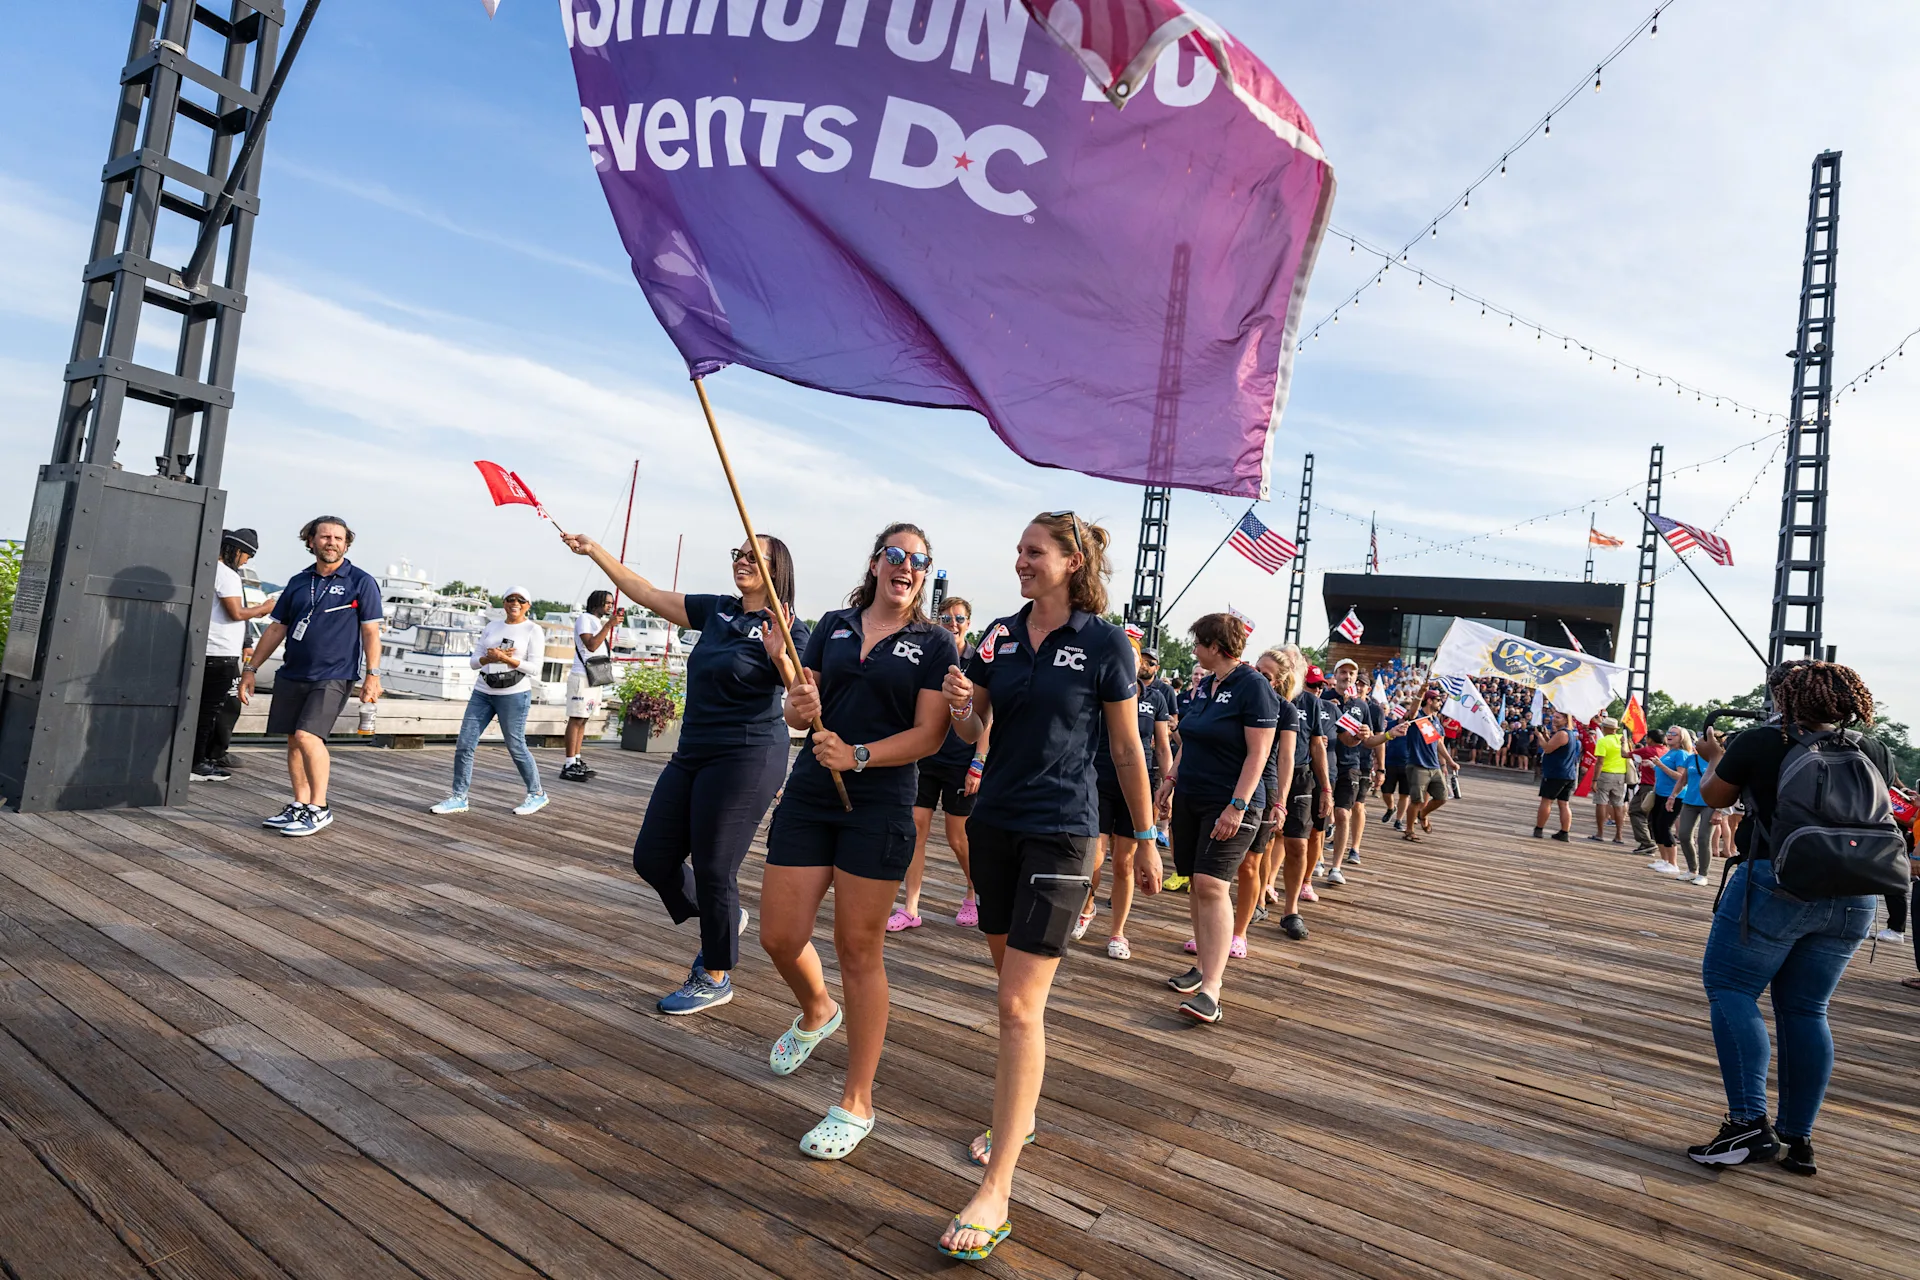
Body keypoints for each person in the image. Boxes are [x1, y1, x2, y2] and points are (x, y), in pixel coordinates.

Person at [935, 512, 1156, 1261]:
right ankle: (1021, 1110)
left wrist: (1149, 838)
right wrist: (965, 705)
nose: (1020, 561)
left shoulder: (1104, 643)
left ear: (1071, 562)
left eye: (1034, 552)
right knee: (1013, 995)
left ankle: (997, 1188)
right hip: (994, 824)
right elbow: (972, 733)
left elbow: (1127, 750)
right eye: (1020, 551)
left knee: (1016, 1004)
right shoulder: (997, 634)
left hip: (1064, 830)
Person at [758, 523, 956, 1161]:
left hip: (881, 804)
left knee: (857, 949)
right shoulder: (834, 624)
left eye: (919, 561)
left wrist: (860, 755)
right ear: (875, 564)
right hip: (813, 790)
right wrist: (798, 702)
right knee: (779, 935)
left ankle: (857, 1100)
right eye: (896, 556)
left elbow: (930, 735)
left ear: (924, 575)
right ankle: (818, 1011)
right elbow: (798, 710)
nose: (907, 567)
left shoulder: (934, 642)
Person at [560, 527, 804, 1015]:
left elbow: (803, 703)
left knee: (716, 868)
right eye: (737, 553)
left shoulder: (791, 627)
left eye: (753, 556)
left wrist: (780, 655)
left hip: (748, 754)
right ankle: (725, 915)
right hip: (693, 750)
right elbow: (645, 593)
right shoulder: (717, 609)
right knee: (652, 857)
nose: (741, 561)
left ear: (777, 569)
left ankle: (715, 974)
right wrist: (595, 551)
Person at [1687, 663, 1894, 1175]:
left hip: (1773, 882)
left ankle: (1746, 1125)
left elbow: (1717, 796)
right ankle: (1797, 1137)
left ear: (1783, 697)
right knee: (1806, 1010)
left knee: (1731, 989)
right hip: (1855, 894)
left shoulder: (1761, 740)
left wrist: (1714, 758)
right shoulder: (1871, 748)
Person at [238, 516, 383, 837]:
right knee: (293, 740)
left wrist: (372, 675)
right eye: (325, 537)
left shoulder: (361, 581)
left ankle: (319, 807)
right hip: (293, 671)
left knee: (307, 736)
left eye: (338, 538)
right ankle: (300, 804)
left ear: (346, 544)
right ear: (311, 541)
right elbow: (277, 628)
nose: (332, 542)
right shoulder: (299, 582)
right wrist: (250, 670)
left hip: (334, 674)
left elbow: (371, 632)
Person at [1166, 613, 1277, 990]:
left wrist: (1238, 805)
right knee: (1196, 883)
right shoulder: (1205, 686)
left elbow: (1258, 754)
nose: (1194, 649)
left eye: (1198, 643)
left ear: (1216, 647)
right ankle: (1201, 966)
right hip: (1191, 796)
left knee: (1212, 885)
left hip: (1230, 800)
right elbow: (1192, 738)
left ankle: (1212, 989)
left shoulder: (1253, 686)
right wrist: (1170, 778)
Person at [892, 596, 985, 932]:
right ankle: (910, 907)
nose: (953, 624)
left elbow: (987, 718)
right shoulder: (930, 653)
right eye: (946, 618)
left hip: (962, 758)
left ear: (968, 623)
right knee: (915, 829)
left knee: (958, 837)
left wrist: (979, 762)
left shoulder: (977, 662)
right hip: (927, 754)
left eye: (959, 618)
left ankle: (974, 893)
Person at [1080, 639, 1173, 958]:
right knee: (1093, 856)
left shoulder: (1155, 698)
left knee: (1124, 863)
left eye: (1136, 657)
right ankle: (1088, 906)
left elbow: (1162, 745)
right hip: (1099, 780)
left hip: (1136, 786)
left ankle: (1117, 932)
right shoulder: (1099, 690)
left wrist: (1168, 784)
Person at [430, 587, 549, 816]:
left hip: (514, 694)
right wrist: (489, 657)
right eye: (510, 599)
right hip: (483, 691)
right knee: (465, 743)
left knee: (515, 745)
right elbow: (474, 662)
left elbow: (535, 669)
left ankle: (537, 794)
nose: (515, 603)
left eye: (521, 600)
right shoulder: (491, 627)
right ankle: (459, 797)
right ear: (503, 603)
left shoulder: (533, 630)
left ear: (528, 605)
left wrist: (506, 658)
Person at [192, 527, 276, 781]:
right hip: (219, 654)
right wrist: (264, 608)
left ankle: (197, 759)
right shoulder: (227, 575)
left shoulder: (207, 569)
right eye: (247, 555)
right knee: (209, 711)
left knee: (201, 710)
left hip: (206, 650)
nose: (246, 561)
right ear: (235, 550)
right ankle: (197, 763)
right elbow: (236, 613)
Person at [1255, 647, 1321, 940]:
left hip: (1301, 777)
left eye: (1296, 661)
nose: (1292, 665)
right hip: (1265, 776)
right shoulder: (1259, 698)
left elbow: (1318, 745)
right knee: (1264, 846)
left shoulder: (1309, 702)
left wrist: (1327, 789)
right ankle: (1258, 900)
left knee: (1298, 844)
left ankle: (1291, 910)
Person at [1325, 660, 1385, 878]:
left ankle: (1336, 867)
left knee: (1342, 813)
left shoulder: (1362, 706)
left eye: (1352, 673)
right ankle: (1319, 861)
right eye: (1343, 672)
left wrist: (1384, 736)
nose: (1347, 676)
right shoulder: (1322, 698)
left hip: (1351, 765)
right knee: (1322, 815)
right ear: (1336, 674)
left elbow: (1368, 740)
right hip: (1325, 762)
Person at [559, 589, 620, 783]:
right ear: (597, 603)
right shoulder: (585, 619)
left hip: (592, 678)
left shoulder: (596, 622)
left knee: (583, 719)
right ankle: (569, 763)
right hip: (581, 676)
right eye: (608, 603)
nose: (611, 606)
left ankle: (576, 759)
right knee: (576, 719)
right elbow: (591, 645)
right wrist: (609, 625)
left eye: (612, 603)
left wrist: (607, 625)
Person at [1402, 689, 1456, 842]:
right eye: (1438, 700)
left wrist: (1450, 761)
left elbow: (1439, 743)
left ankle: (1423, 814)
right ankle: (1409, 830)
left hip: (1434, 765)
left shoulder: (1436, 721)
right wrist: (1421, 692)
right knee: (1416, 800)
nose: (1441, 703)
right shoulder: (1417, 717)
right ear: (1430, 701)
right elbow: (1412, 711)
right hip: (1417, 764)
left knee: (1442, 797)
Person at [1649, 725, 1692, 873]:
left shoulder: (1681, 754)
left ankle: (1673, 863)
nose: (1670, 735)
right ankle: (1664, 859)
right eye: (1669, 732)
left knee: (1664, 826)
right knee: (1656, 825)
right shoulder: (1669, 752)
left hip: (1675, 796)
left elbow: (1680, 776)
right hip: (1661, 794)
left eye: (1674, 734)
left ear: (1682, 738)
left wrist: (1660, 765)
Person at [1531, 711, 1579, 841]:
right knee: (1564, 803)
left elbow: (1547, 748)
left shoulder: (1562, 733)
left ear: (1565, 720)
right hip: (1568, 774)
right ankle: (1564, 832)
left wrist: (1539, 735)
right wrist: (1546, 736)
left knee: (1547, 801)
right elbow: (1554, 746)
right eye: (1554, 717)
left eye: (1558, 717)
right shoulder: (1571, 734)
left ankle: (1539, 829)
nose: (1554, 719)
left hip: (1556, 773)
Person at [1673, 740, 1715, 887]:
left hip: (1710, 803)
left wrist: (1720, 810)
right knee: (1683, 835)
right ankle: (1692, 870)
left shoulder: (1717, 760)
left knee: (1703, 838)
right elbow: (1682, 780)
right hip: (1690, 801)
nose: (1697, 745)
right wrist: (1672, 796)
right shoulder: (1691, 758)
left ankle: (1703, 874)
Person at [1589, 717, 1631, 843]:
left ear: (1605, 728)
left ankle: (1600, 833)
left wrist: (1594, 780)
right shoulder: (1622, 739)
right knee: (1618, 805)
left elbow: (1600, 762)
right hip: (1620, 775)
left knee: (1601, 802)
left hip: (1606, 773)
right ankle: (1619, 835)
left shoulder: (1603, 741)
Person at [1627, 734, 1665, 854]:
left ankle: (1647, 842)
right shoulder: (1666, 751)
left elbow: (1625, 754)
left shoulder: (1648, 750)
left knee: (1636, 811)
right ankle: (1653, 842)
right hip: (1661, 787)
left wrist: (1624, 743)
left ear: (1650, 739)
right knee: (1652, 816)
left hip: (1647, 787)